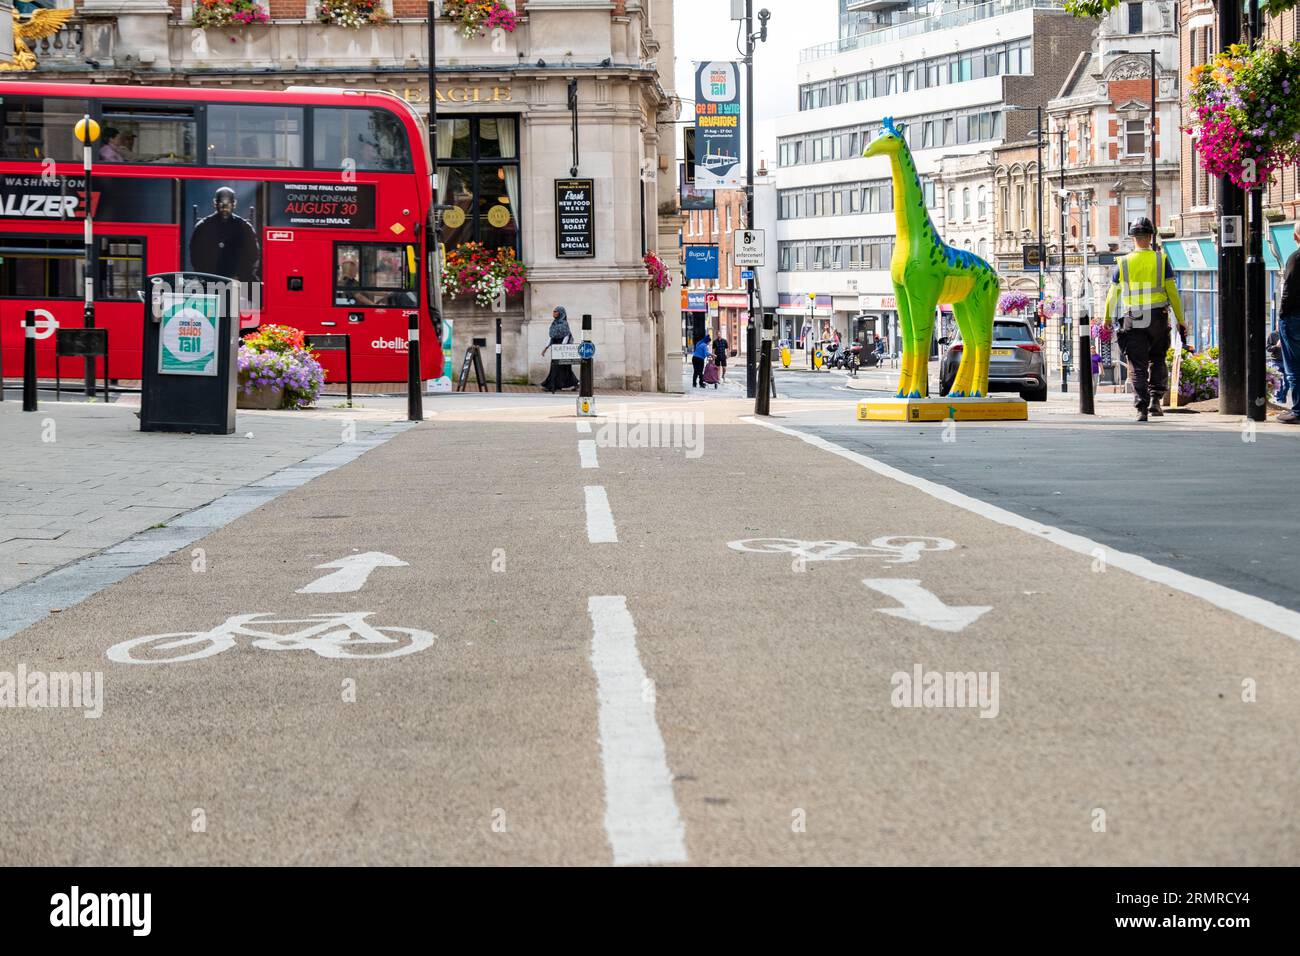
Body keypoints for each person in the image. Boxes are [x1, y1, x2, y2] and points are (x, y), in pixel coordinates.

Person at [1102, 217, 1188, 422]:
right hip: (1158, 316)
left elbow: (1112, 294)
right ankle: (1155, 401)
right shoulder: (1161, 259)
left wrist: (1107, 317)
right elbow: (1172, 291)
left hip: (1134, 317)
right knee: (1158, 358)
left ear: (1132, 238)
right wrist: (1180, 319)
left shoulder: (1123, 262)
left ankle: (1141, 408)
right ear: (1151, 237)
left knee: (1137, 363)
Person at [189, 187, 260, 283]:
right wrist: (208, 276)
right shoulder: (203, 226)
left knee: (256, 291)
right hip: (209, 278)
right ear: (215, 203)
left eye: (228, 204)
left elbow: (253, 255)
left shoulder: (244, 227)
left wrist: (239, 274)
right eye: (221, 204)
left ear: (234, 204)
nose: (225, 208)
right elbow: (195, 256)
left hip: (238, 278)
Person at [1276, 222, 1300, 424]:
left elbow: (1289, 291)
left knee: (1294, 365)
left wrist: (1282, 315)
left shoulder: (1295, 259)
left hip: (1295, 318)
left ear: (1296, 237)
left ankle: (1298, 410)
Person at [540, 306, 579, 392]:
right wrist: (546, 348)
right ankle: (553, 385)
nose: (554, 313)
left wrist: (562, 348)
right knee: (555, 366)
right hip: (556, 349)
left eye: (556, 312)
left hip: (562, 349)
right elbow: (552, 337)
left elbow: (567, 335)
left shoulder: (564, 324)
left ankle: (572, 384)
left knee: (564, 368)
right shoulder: (554, 324)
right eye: (554, 311)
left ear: (561, 313)